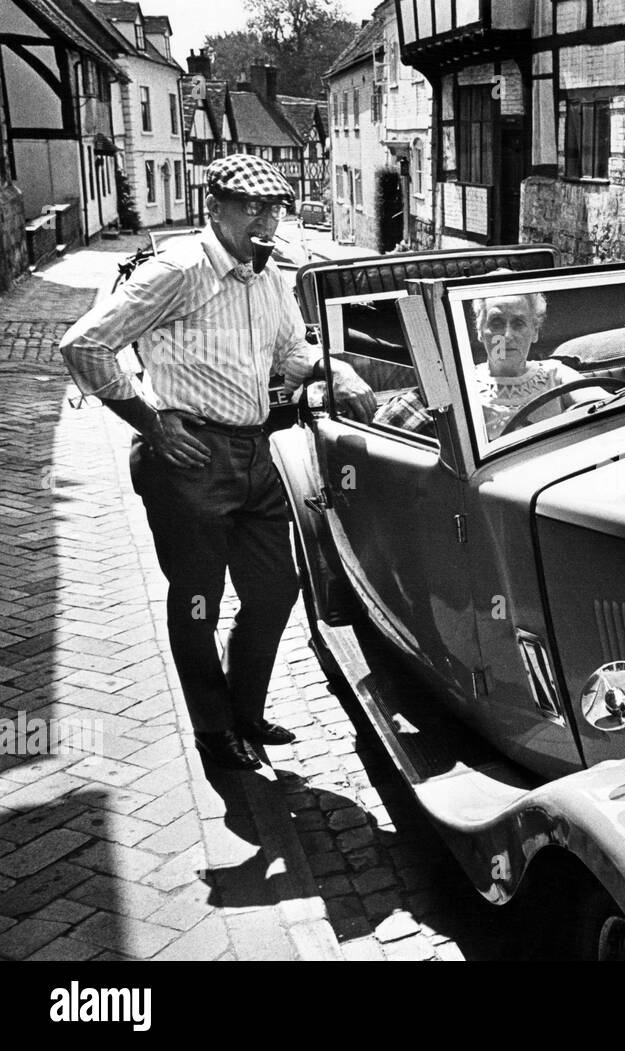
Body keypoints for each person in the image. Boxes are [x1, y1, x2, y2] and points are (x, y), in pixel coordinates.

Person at [59, 154, 376, 772]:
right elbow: (85, 345)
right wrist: (150, 421)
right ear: (216, 208)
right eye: (251, 207)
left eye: (274, 207)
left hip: (255, 452)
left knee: (277, 587)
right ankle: (214, 731)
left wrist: (330, 367)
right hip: (190, 460)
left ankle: (245, 709)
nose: (266, 218)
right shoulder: (178, 270)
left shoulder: (268, 272)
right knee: (198, 600)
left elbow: (288, 349)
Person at [472, 284, 600, 441]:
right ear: (480, 331)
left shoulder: (555, 374)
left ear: (534, 332)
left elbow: (609, 408)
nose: (507, 336)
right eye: (496, 323)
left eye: (518, 323)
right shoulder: (466, 388)